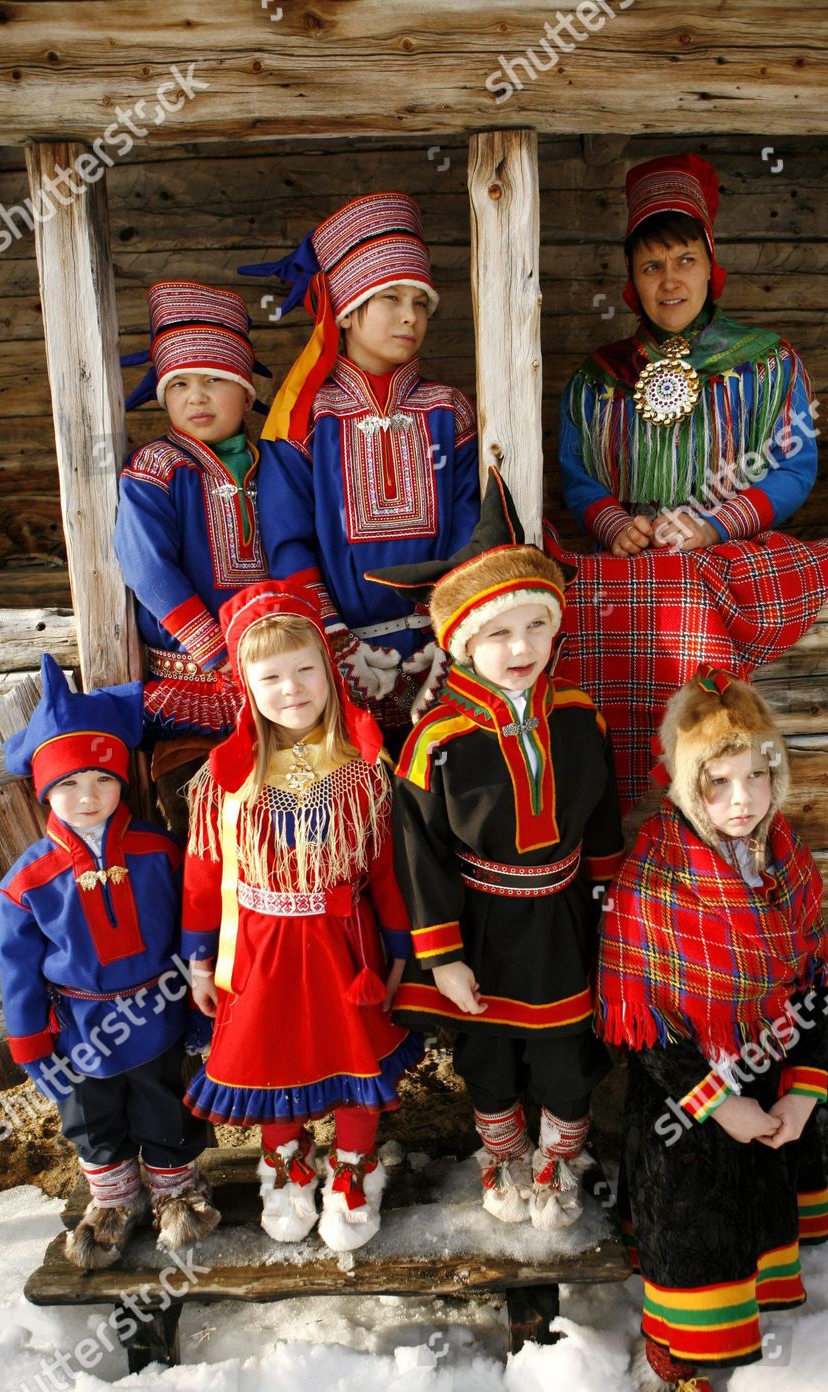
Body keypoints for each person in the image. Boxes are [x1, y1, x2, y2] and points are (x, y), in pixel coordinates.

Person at [598, 667, 828, 1392]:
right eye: (719, 782)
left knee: (756, 1220)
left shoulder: (787, 864)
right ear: (682, 786)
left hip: (771, 1086)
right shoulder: (653, 879)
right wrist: (719, 1104)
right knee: (694, 1239)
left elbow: (817, 987)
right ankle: (672, 1361)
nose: (743, 798)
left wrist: (801, 1090)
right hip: (685, 1109)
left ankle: (739, 1328)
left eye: (758, 774)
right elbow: (640, 1026)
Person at [376, 472, 625, 1229]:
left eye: (536, 628)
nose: (521, 649)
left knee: (564, 1051)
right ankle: (503, 1153)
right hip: (480, 920)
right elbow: (418, 853)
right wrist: (442, 955)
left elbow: (606, 821)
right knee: (485, 1052)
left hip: (564, 918)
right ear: (460, 643)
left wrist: (609, 904)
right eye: (497, 634)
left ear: (557, 630)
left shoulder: (582, 717)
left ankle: (559, 1157)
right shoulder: (438, 742)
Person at [181, 579, 422, 1251]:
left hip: (344, 947)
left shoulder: (363, 767)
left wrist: (400, 948)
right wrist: (200, 957)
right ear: (247, 689)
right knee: (271, 1060)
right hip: (258, 950)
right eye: (272, 678)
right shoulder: (226, 779)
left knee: (355, 1058)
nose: (291, 688)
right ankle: (285, 1166)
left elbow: (384, 870)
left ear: (328, 670)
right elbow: (203, 877)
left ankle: (354, 1167)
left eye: (304, 670)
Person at [0, 655, 218, 1269]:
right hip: (79, 1029)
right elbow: (17, 970)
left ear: (124, 781)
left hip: (159, 1010)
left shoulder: (159, 851)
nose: (87, 797)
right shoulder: (26, 882)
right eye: (67, 784)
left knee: (163, 1100)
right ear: (44, 791)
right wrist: (30, 1046)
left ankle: (175, 1189)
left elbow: (187, 928)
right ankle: (113, 1200)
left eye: (101, 780)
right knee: (90, 1113)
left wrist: (199, 1009)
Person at [243, 192, 480, 742]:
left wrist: (453, 634)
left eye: (421, 303)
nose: (410, 316)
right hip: (341, 658)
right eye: (391, 298)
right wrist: (335, 641)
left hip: (444, 651)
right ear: (347, 310)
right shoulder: (306, 417)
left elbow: (471, 522)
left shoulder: (447, 408)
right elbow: (286, 539)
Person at [559, 153, 818, 555]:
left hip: (730, 561)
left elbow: (793, 467)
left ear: (710, 267)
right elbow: (578, 476)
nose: (669, 281)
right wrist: (618, 528)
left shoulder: (769, 364)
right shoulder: (596, 381)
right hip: (630, 568)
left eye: (686, 260)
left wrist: (714, 527)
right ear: (633, 280)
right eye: (651, 267)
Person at [114, 279, 268, 836]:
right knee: (203, 827)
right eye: (178, 384)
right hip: (190, 688)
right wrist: (218, 652)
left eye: (214, 381)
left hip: (277, 683)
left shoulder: (275, 466)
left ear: (248, 394)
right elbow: (146, 568)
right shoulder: (154, 470)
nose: (196, 397)